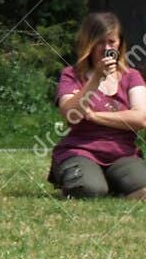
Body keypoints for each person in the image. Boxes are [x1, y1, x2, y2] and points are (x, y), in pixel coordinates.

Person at [48, 11, 146, 198]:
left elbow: (140, 119)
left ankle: (113, 181)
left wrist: (93, 116)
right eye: (100, 42)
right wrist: (96, 79)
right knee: (89, 190)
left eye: (111, 42)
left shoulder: (132, 76)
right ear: (89, 44)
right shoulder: (71, 75)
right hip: (81, 151)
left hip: (122, 154)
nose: (107, 48)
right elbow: (71, 114)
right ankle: (87, 178)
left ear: (120, 43)